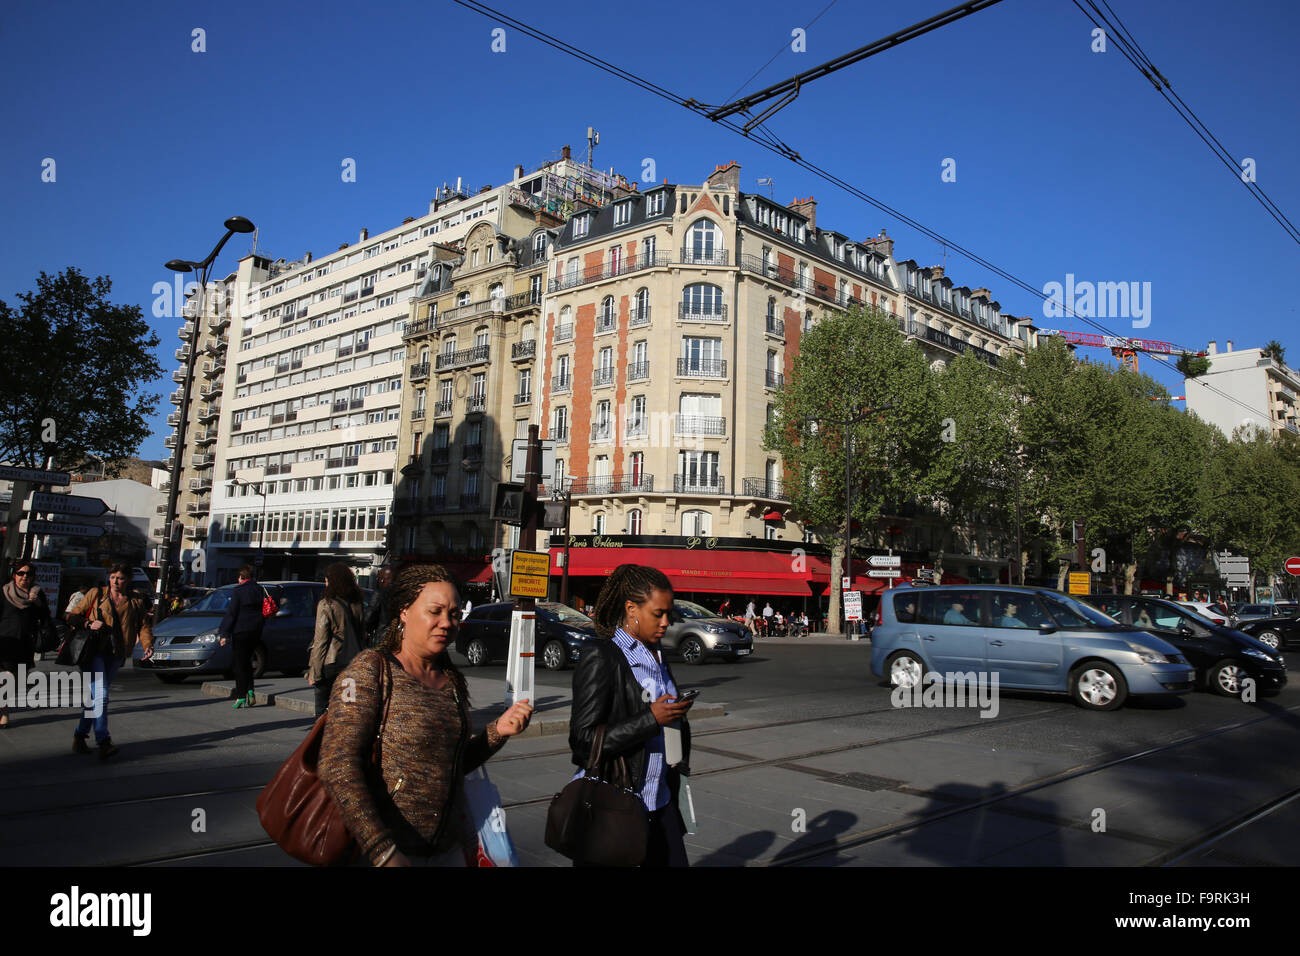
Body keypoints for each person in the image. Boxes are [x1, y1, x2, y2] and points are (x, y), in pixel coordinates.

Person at [318, 564, 532, 866]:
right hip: (389, 854)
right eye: (435, 611)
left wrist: (497, 731)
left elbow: (451, 765)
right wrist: (381, 850)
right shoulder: (370, 670)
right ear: (404, 611)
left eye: (454, 614)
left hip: (447, 850)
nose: (447, 622)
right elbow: (336, 764)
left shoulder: (451, 680)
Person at [570, 564, 694, 867]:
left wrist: (676, 714)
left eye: (669, 614)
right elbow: (582, 740)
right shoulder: (602, 656)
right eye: (657, 614)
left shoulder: (658, 655)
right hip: (617, 804)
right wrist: (651, 719)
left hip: (661, 800)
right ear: (631, 609)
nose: (665, 623)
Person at [67, 564, 153, 758]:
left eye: (120, 578)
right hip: (93, 651)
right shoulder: (96, 594)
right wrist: (88, 623)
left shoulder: (135, 600)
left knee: (95, 698)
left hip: (117, 653)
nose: (115, 581)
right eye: (113, 577)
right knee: (101, 695)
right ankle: (103, 740)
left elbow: (143, 625)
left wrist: (147, 644)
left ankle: (80, 736)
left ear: (128, 580)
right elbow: (71, 616)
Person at [0, 559, 54, 729]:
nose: (24, 577)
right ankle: (4, 712)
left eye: (28, 574)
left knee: (15, 680)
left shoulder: (37, 593)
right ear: (14, 575)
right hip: (5, 641)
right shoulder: (4, 592)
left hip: (25, 644)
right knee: (6, 678)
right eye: (20, 573)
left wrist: (38, 604)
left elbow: (45, 617)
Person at [309, 563, 366, 718]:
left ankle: (325, 732)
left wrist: (315, 673)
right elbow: (362, 634)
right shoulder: (357, 604)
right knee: (348, 710)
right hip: (353, 663)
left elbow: (320, 641)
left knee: (323, 712)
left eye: (326, 581)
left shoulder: (326, 604)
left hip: (331, 663)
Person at [219, 564, 267, 710]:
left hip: (240, 631)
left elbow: (232, 613)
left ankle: (241, 696)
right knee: (248, 661)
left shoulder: (238, 591)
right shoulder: (259, 589)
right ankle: (250, 691)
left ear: (241, 577)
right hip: (256, 630)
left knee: (239, 664)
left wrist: (224, 633)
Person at [363, 566, 394, 649]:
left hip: (382, 639)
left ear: (382, 580)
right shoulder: (404, 594)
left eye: (379, 578)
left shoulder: (379, 593)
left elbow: (369, 616)